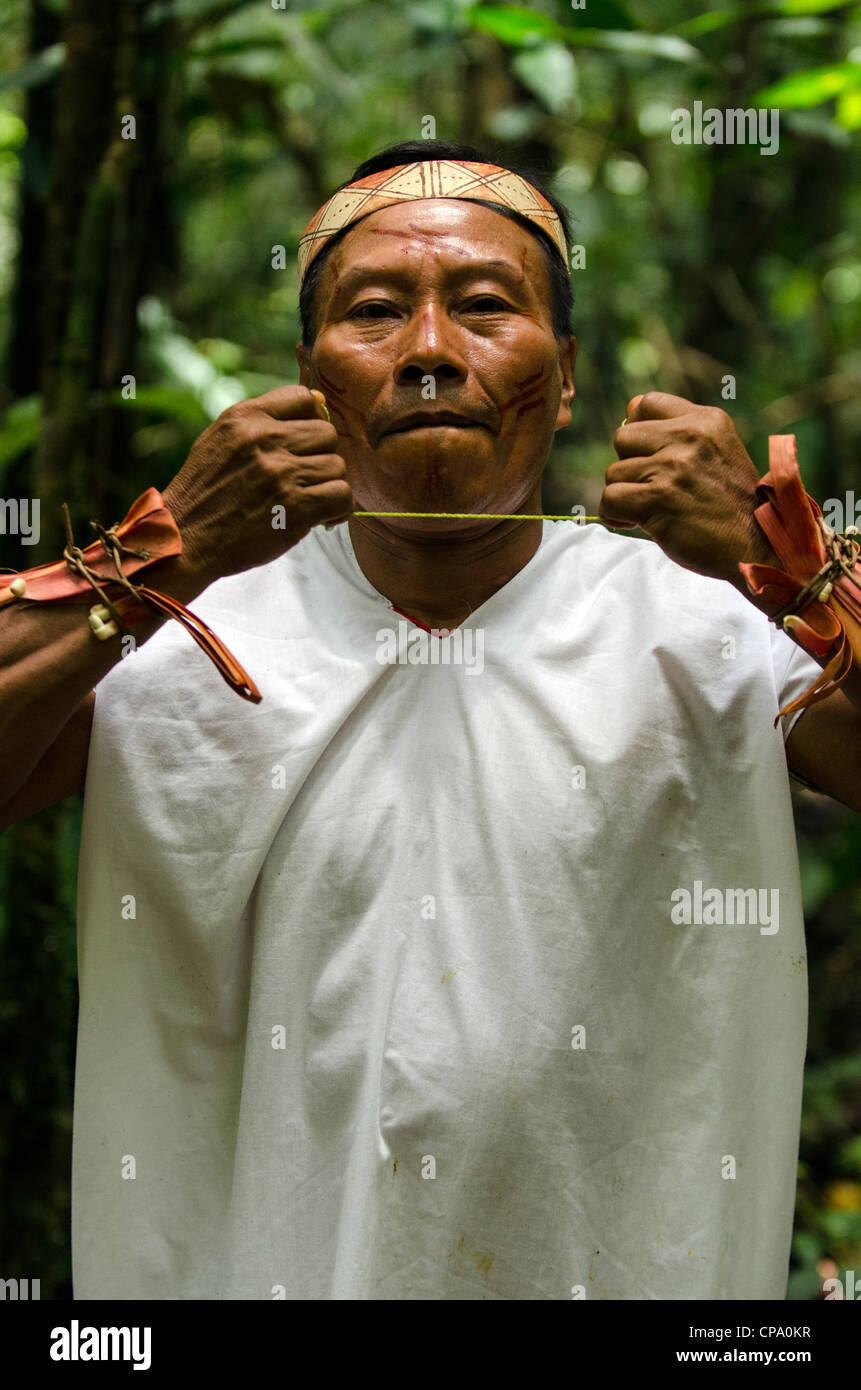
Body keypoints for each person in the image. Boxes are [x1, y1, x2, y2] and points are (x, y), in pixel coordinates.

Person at [1, 139, 859, 1301]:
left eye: (487, 305)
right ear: (308, 375)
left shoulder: (704, 626)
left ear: (564, 377)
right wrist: (160, 557)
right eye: (375, 311)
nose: (429, 353)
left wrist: (789, 570)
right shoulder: (184, 634)